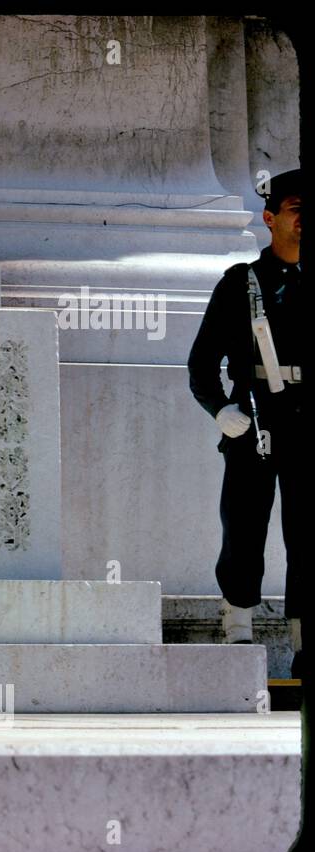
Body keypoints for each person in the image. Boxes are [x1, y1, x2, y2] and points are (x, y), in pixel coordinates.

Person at [188, 169, 303, 678]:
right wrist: (220, 410)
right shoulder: (241, 283)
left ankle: (305, 641)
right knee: (244, 523)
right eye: (297, 209)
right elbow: (201, 364)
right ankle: (238, 626)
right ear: (270, 217)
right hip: (254, 416)